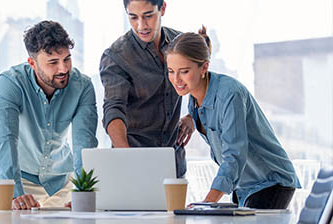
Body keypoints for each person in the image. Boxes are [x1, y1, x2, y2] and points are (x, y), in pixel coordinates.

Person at [165, 27, 301, 208]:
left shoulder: (230, 94)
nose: (176, 80)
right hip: (243, 186)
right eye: (171, 71)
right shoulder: (194, 100)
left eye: (184, 71)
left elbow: (234, 154)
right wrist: (190, 117)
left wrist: (207, 202)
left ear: (204, 67)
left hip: (270, 181)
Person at [0, 20, 98, 209]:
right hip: (22, 182)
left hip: (64, 183)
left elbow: (84, 143)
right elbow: (5, 140)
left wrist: (83, 191)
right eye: (53, 62)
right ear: (32, 63)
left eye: (67, 59)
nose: (63, 69)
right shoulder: (10, 83)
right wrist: (16, 194)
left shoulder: (82, 86)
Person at [99, 0, 194, 178]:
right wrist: (126, 157)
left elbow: (202, 85)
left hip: (174, 165)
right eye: (133, 17)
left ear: (163, 8)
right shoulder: (116, 56)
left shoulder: (181, 44)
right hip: (133, 162)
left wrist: (192, 117)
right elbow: (113, 110)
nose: (141, 25)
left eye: (148, 16)